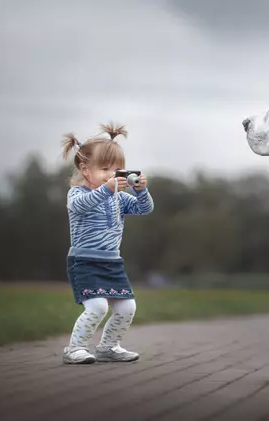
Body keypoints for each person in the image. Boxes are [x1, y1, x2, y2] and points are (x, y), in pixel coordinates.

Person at [60, 123, 154, 364]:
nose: (112, 174)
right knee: (98, 307)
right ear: (85, 169)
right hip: (85, 261)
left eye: (118, 169)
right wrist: (106, 189)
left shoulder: (119, 197)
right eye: (104, 169)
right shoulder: (77, 194)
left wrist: (141, 190)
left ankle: (109, 347)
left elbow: (144, 209)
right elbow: (81, 206)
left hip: (112, 262)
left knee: (127, 308)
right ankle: (75, 349)